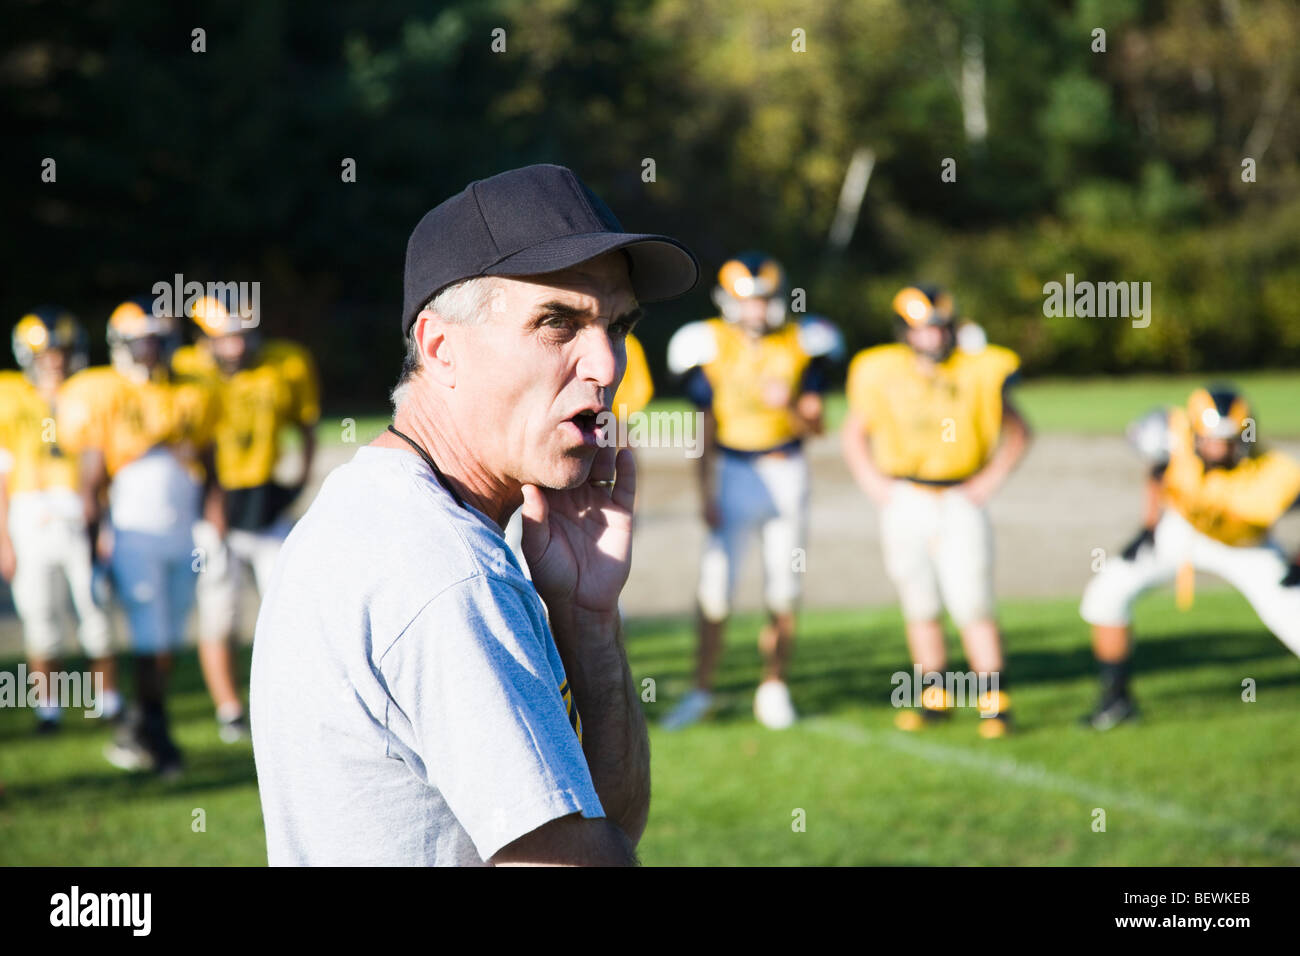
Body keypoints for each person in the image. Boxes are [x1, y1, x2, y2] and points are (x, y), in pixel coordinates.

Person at [250, 163, 698, 866]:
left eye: (617, 324)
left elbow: (608, 825)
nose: (608, 364)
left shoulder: (376, 510)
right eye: (559, 322)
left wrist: (587, 621)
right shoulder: (442, 570)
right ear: (440, 347)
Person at [661, 252, 843, 731]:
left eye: (763, 301)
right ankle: (701, 690)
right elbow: (705, 427)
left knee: (785, 585)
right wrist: (704, 491)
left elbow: (818, 425)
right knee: (716, 588)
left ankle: (774, 687)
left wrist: (794, 408)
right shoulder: (709, 343)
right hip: (732, 472)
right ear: (728, 302)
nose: (757, 311)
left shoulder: (802, 343)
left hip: (786, 471)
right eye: (748, 302)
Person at [842, 285, 1030, 737]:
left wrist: (991, 478)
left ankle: (994, 700)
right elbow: (854, 432)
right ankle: (934, 695)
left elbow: (1019, 430)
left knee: (972, 602)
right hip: (907, 496)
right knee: (919, 600)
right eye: (922, 329)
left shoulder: (980, 367)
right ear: (904, 331)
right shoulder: (880, 370)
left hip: (959, 497)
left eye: (939, 328)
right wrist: (873, 482)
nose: (932, 337)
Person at [57, 297, 221, 776]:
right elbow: (91, 483)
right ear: (121, 345)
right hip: (134, 535)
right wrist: (92, 550)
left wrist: (214, 528)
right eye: (141, 341)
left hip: (182, 531)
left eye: (157, 339)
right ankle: (156, 730)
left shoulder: (193, 390)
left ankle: (140, 725)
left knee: (169, 636)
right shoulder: (98, 392)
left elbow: (211, 467)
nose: (150, 349)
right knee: (150, 633)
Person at [1080, 385, 1300, 729]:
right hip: (1180, 531)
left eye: (1228, 440)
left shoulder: (1275, 472)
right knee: (1106, 594)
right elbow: (1156, 472)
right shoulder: (1171, 432)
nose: (1219, 447)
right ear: (1194, 432)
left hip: (1245, 548)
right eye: (1211, 438)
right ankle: (1115, 701)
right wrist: (1149, 526)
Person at [173, 293, 319, 743]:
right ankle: (230, 709)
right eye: (225, 339)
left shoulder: (284, 362)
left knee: (291, 608)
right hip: (213, 506)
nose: (236, 348)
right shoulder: (186, 371)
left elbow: (307, 422)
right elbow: (186, 446)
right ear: (205, 341)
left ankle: (291, 699)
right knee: (220, 614)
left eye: (242, 337)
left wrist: (299, 478)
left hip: (266, 503)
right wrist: (209, 503)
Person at [0, 307, 120, 733]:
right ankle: (47, 708)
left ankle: (109, 700)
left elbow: (102, 463)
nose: (54, 360)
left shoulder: (91, 392)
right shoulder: (9, 395)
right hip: (29, 514)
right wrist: (3, 539)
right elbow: (3, 470)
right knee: (39, 617)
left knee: (97, 613)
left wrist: (105, 522)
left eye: (61, 352)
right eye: (46, 353)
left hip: (77, 512)